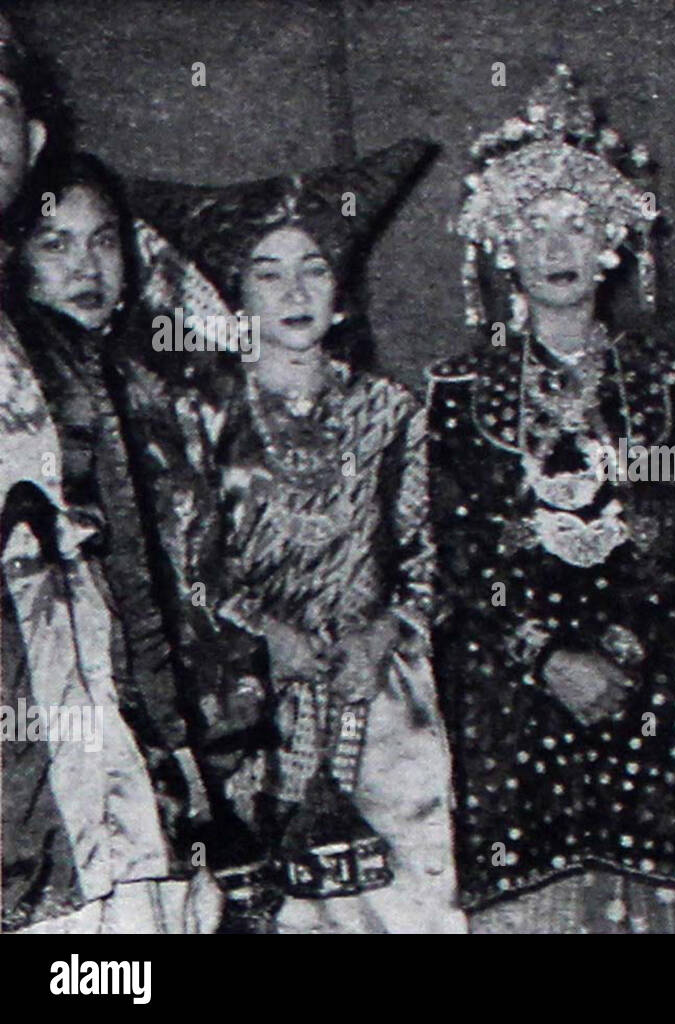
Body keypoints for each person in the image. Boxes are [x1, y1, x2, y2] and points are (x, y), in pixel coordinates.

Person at [131, 138, 462, 933]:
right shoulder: (199, 421)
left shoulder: (390, 412)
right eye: (268, 272)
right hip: (255, 709)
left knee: (410, 906)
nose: (294, 291)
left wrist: (387, 630)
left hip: (380, 700)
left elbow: (433, 557)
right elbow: (186, 573)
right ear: (235, 294)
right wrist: (263, 634)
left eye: (313, 267)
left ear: (341, 290)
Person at [428, 65, 675, 933]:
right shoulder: (457, 390)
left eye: (578, 222)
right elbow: (455, 555)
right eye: (535, 225)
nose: (557, 247)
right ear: (503, 245)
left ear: (613, 240)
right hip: (513, 699)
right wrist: (546, 654)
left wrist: (620, 653)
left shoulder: (668, 383)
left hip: (650, 688)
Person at [0, 15, 181, 935]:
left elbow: (135, 585)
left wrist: (177, 747)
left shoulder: (70, 362)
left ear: (28, 143)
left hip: (98, 809)